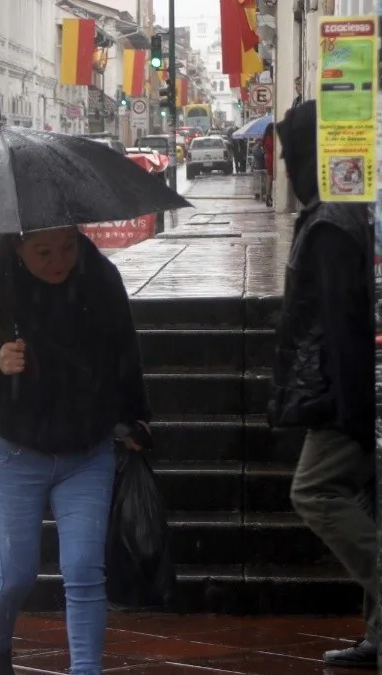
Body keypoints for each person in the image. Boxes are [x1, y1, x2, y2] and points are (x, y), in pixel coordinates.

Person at [0, 226, 150, 675]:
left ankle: (85, 669)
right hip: (15, 452)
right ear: (16, 245)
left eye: (68, 248)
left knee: (85, 570)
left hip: (87, 451)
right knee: (15, 574)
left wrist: (134, 417)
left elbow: (124, 351)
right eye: (44, 251)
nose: (59, 261)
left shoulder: (99, 279)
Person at [271, 100, 377, 669]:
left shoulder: (333, 221)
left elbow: (344, 327)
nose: (287, 166)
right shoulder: (337, 210)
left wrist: (353, 415)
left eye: (293, 155)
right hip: (344, 395)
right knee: (364, 502)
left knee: (313, 491)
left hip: (343, 399)